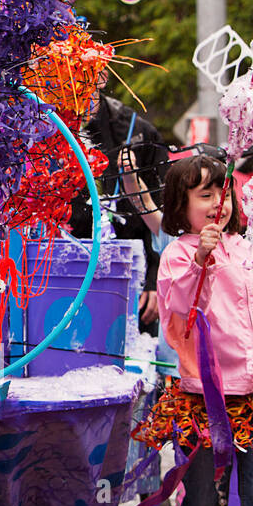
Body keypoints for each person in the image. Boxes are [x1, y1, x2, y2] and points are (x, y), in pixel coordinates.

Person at [132, 147, 253, 506]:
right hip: (205, 402)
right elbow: (178, 305)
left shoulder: (251, 248)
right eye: (205, 195)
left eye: (223, 193)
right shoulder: (179, 255)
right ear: (180, 203)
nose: (218, 204)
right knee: (204, 503)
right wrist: (200, 263)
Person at [69, 82, 169, 335]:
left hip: (132, 274)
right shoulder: (45, 130)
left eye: (84, 80)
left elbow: (163, 213)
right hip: (66, 271)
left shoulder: (138, 133)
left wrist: (156, 279)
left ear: (100, 77)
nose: (75, 90)